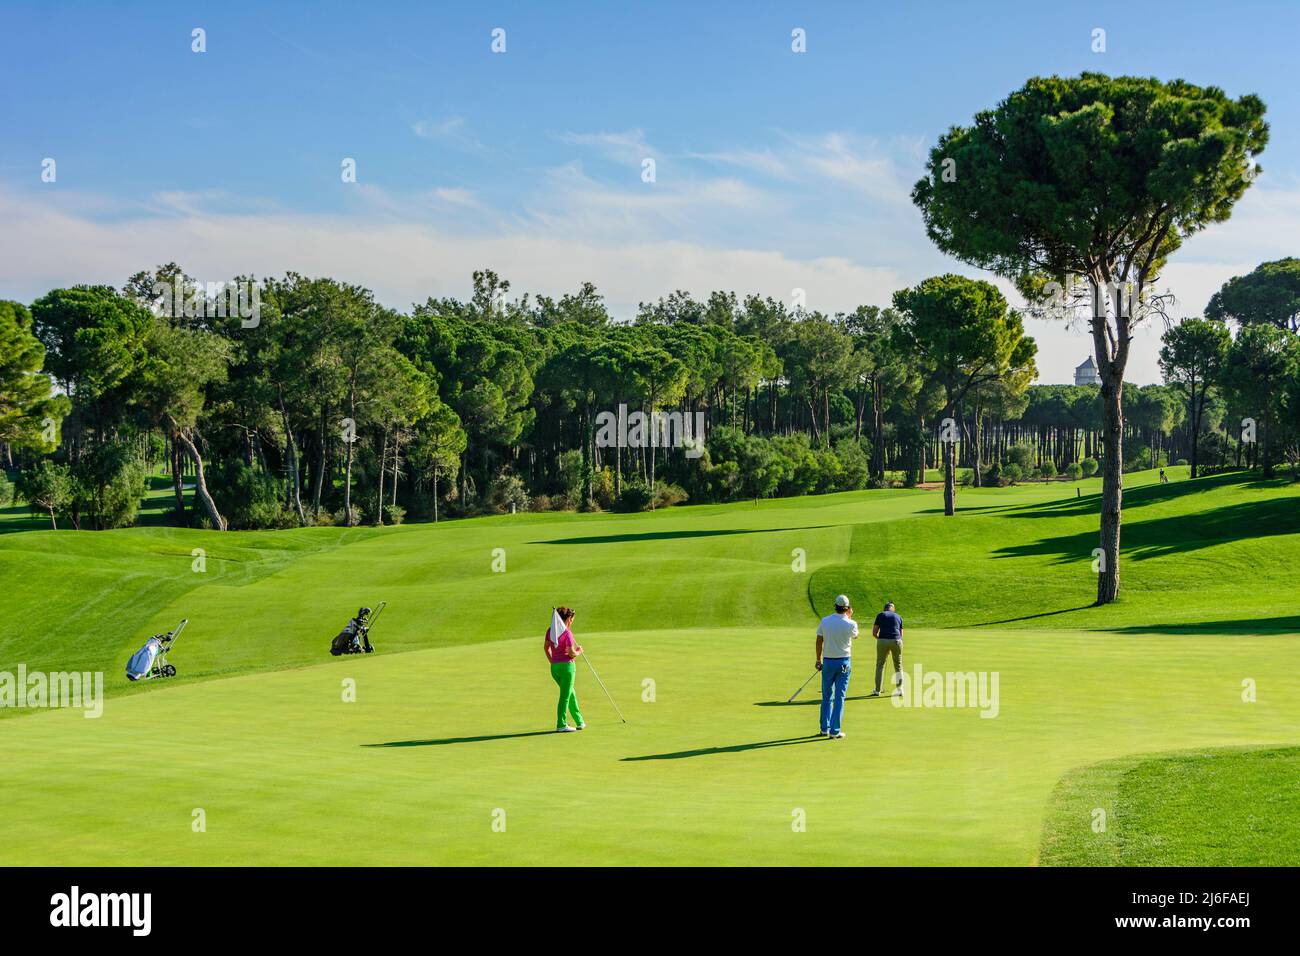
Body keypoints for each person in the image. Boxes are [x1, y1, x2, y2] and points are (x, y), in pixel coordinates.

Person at [815, 594, 858, 739]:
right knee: (839, 696)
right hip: (844, 663)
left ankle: (824, 729)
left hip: (827, 662)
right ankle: (834, 731)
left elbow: (819, 641)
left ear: (835, 606)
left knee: (827, 696)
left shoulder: (825, 621)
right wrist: (849, 617)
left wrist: (818, 660)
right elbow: (855, 635)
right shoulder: (851, 623)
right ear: (847, 608)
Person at [544, 606, 585, 733]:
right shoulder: (567, 633)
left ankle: (579, 721)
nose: (572, 622)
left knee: (570, 693)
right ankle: (561, 724)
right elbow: (571, 653)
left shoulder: (550, 631)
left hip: (555, 669)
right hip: (567, 668)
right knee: (565, 696)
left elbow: (546, 648)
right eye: (572, 619)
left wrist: (553, 662)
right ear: (567, 619)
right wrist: (579, 651)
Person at [870, 601, 904, 696]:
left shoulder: (880, 615)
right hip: (896, 641)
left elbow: (874, 632)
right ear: (893, 609)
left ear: (884, 609)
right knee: (898, 665)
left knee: (880, 665)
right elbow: (901, 634)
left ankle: (877, 690)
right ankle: (900, 690)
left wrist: (882, 641)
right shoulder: (898, 616)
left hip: (882, 641)